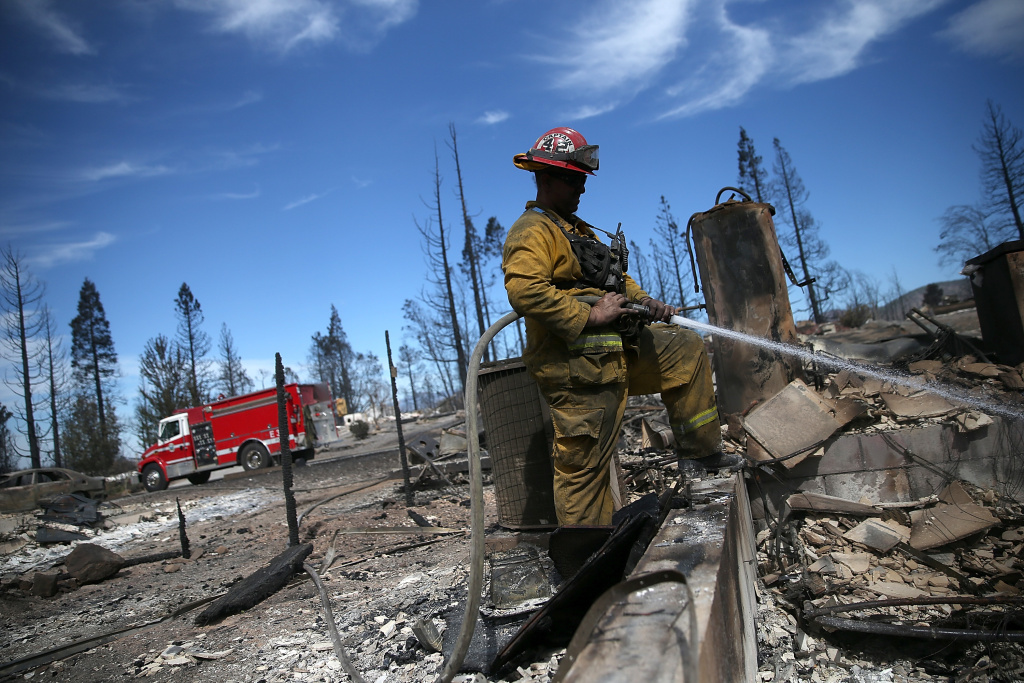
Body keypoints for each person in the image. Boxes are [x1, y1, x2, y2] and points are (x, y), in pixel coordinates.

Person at [501, 127, 743, 526]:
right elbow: (525, 291)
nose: (582, 188)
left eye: (584, 179)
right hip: (576, 371)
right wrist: (589, 315)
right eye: (574, 179)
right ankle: (585, 552)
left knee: (685, 350)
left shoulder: (574, 229)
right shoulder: (532, 230)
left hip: (614, 355)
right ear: (546, 178)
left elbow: (614, 279)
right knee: (585, 468)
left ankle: (701, 459)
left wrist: (645, 301)